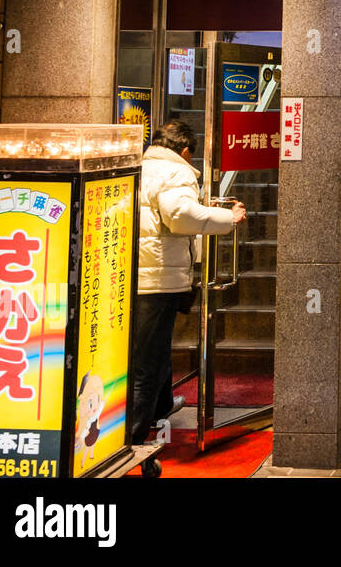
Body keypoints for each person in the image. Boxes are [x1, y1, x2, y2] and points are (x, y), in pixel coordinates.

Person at [133, 120, 244, 474]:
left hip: (133, 277)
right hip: (158, 281)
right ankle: (132, 447)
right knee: (145, 367)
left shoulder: (141, 166)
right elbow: (180, 216)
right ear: (185, 151)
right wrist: (229, 216)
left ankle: (163, 405)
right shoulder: (175, 172)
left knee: (154, 351)